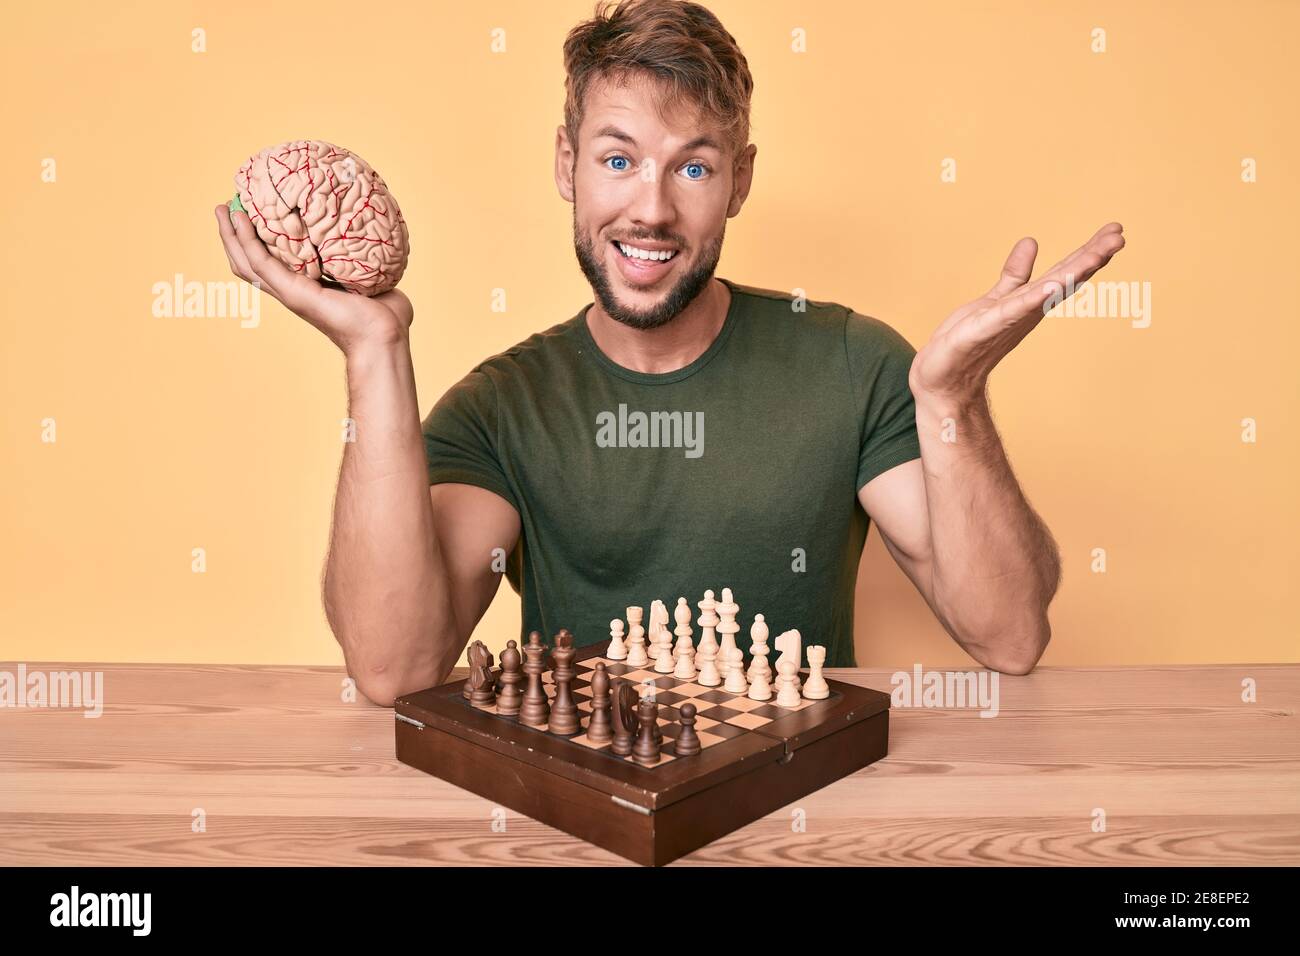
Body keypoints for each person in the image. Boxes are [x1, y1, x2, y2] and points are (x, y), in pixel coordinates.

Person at [213, 0, 1124, 706]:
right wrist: (375, 352)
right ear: (566, 165)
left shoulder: (854, 362)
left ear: (741, 183)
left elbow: (1007, 636)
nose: (651, 208)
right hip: (581, 820)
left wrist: (955, 399)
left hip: (798, 814)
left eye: (693, 166)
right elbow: (394, 667)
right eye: (618, 160)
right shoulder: (502, 408)